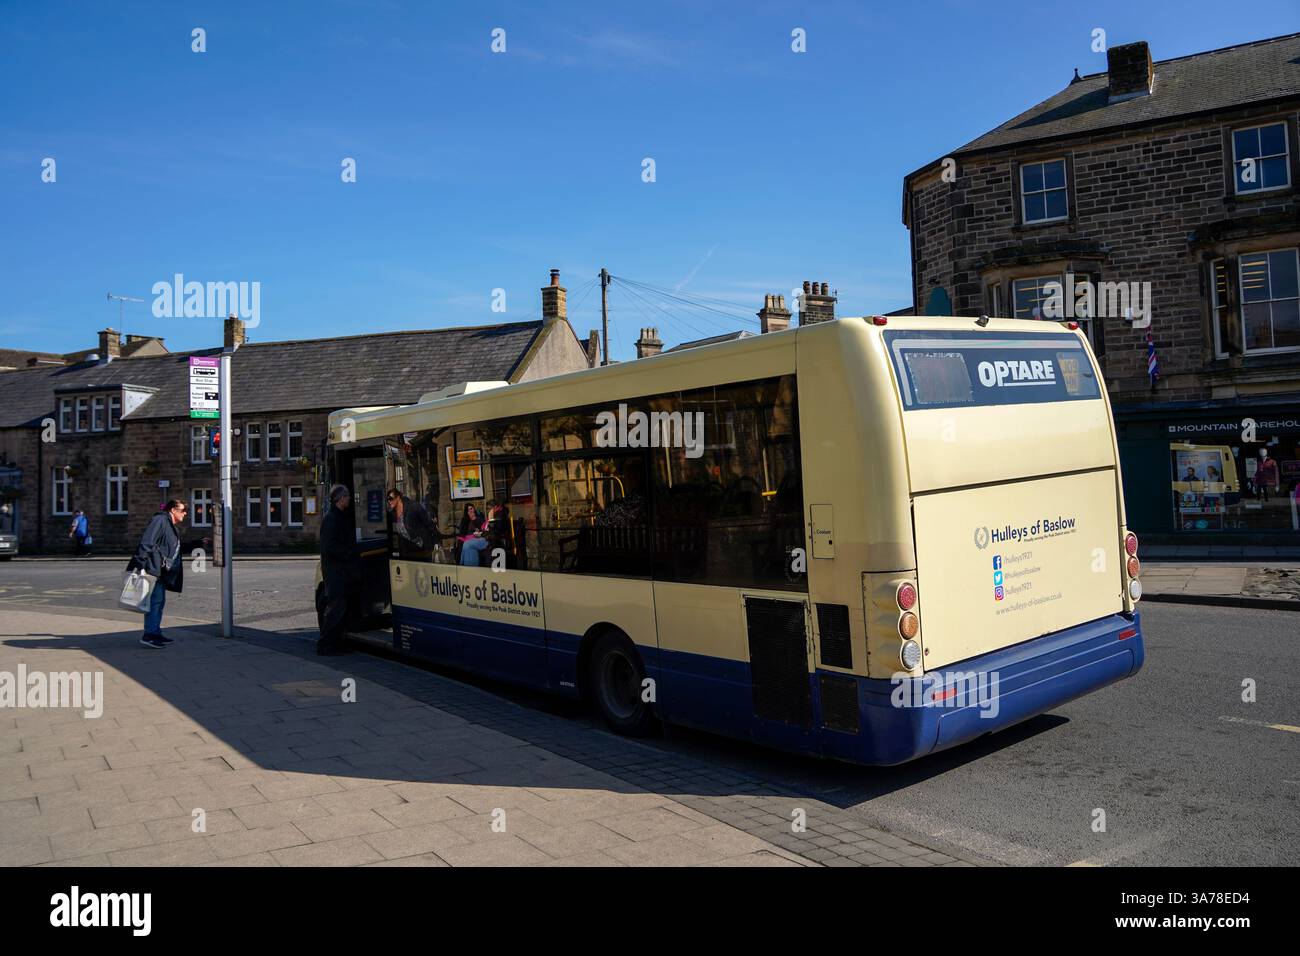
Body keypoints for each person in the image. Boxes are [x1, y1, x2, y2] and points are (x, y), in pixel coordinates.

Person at [130, 499, 186, 649]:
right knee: (155, 602)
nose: (185, 513)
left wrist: (196, 544)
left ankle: (155, 632)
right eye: (182, 510)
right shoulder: (160, 520)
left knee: (158, 602)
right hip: (152, 569)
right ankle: (149, 635)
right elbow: (147, 541)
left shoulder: (168, 524)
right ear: (173, 510)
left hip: (161, 571)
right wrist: (139, 564)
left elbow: (171, 547)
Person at [318, 484, 357, 656]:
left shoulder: (338, 516)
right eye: (347, 496)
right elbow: (330, 546)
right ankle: (325, 644)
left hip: (341, 572)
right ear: (340, 499)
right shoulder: (331, 519)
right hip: (336, 573)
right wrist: (348, 554)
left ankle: (337, 643)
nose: (349, 499)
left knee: (341, 610)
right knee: (335, 610)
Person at [386, 488, 436, 557]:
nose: (389, 501)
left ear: (398, 497)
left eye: (390, 498)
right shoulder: (393, 514)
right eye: (387, 499)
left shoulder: (413, 506)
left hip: (422, 548)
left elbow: (428, 522)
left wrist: (435, 540)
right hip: (407, 551)